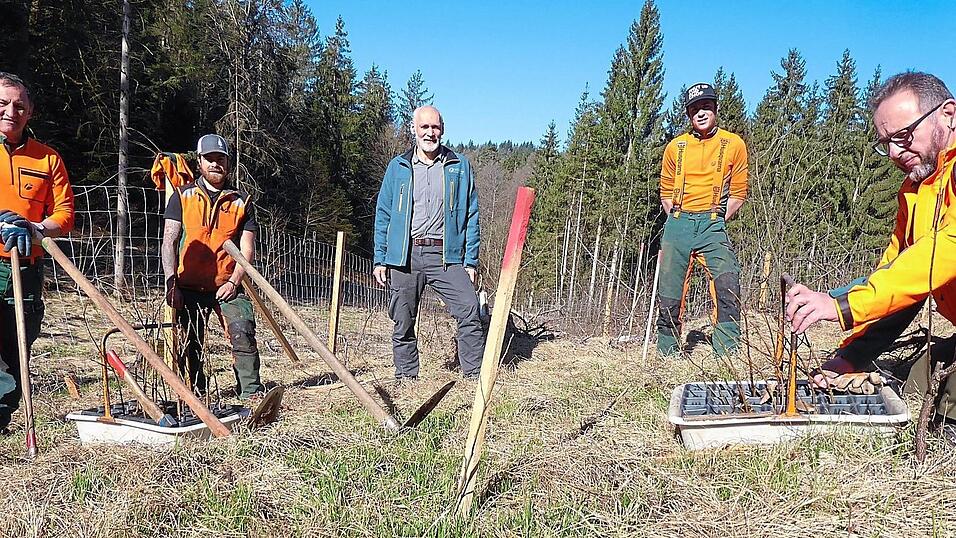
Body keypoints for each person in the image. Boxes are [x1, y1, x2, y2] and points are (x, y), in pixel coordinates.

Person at [785, 71, 956, 422]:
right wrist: (849, 358)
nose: (894, 152)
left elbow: (942, 254)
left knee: (946, 409)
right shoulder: (915, 191)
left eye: (904, 136)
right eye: (886, 142)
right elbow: (898, 281)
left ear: (948, 114)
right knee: (914, 390)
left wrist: (842, 306)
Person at [372, 105, 483, 380]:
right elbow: (384, 213)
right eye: (424, 127)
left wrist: (470, 261)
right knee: (403, 321)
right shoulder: (398, 167)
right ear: (414, 129)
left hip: (446, 256)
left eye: (435, 127)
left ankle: (474, 377)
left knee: (469, 310)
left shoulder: (459, 167)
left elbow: (471, 215)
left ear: (442, 130)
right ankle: (407, 379)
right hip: (405, 256)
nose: (430, 133)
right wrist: (380, 257)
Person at [162, 134, 264, 399]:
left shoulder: (242, 202)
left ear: (228, 164)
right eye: (210, 159)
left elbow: (247, 249)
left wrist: (234, 281)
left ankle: (251, 393)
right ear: (199, 162)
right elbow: (169, 242)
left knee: (243, 332)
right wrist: (171, 283)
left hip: (228, 283)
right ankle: (195, 395)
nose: (215, 164)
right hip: (188, 285)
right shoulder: (182, 197)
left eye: (221, 159)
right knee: (189, 342)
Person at [0, 72, 74, 432]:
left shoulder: (47, 159)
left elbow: (65, 215)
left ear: (30, 112)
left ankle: (5, 414)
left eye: (19, 105)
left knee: (18, 344)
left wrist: (37, 228)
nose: (11, 111)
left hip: (26, 266)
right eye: (3, 104)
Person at [657, 83, 748, 357]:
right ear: (688, 114)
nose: (701, 112)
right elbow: (665, 191)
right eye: (695, 108)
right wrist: (677, 218)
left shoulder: (733, 144)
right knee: (670, 288)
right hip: (678, 222)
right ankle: (668, 350)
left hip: (712, 223)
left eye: (706, 106)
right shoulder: (676, 147)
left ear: (716, 109)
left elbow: (739, 193)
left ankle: (727, 349)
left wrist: (717, 218)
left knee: (727, 280)